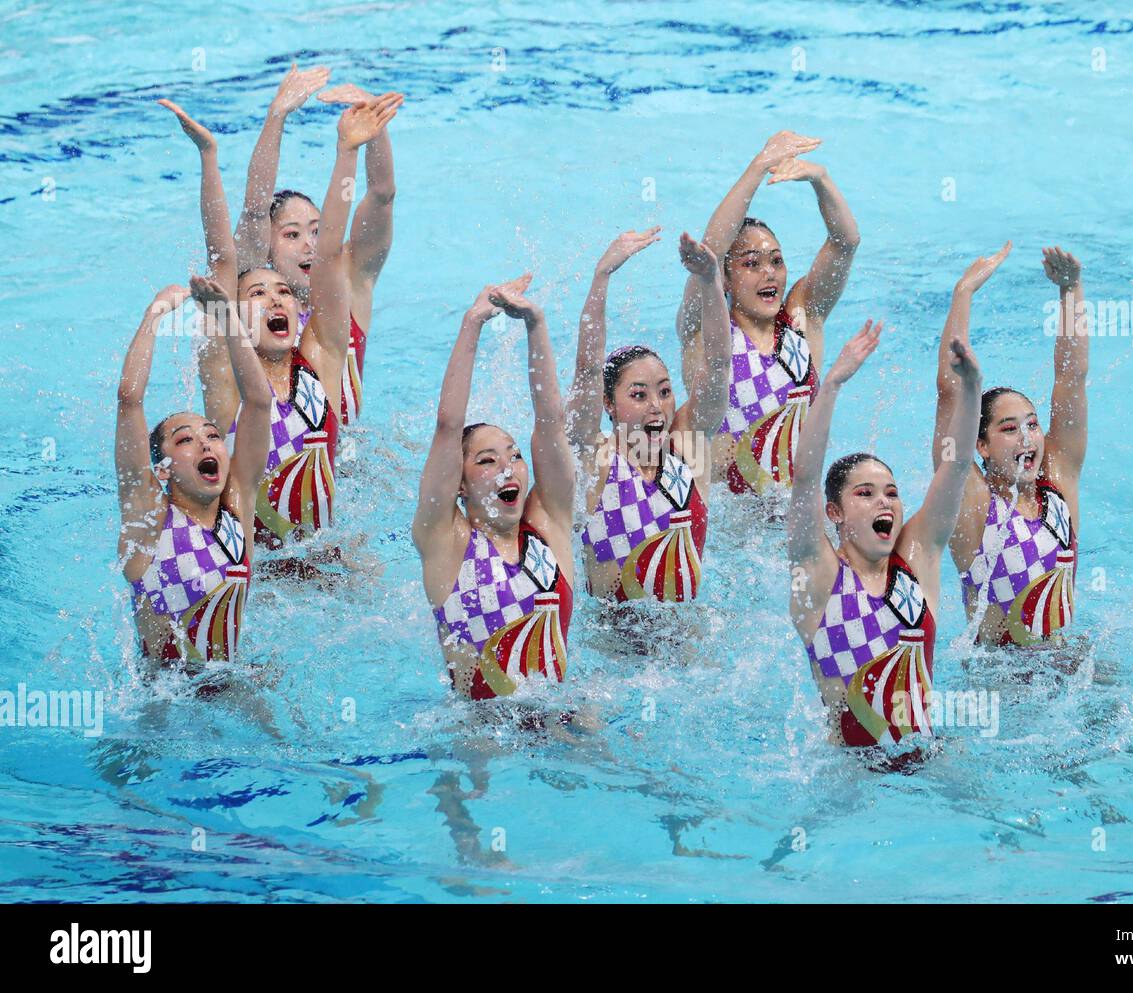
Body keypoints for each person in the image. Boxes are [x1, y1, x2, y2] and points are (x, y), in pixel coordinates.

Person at [160, 94, 401, 549]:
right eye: (292, 234)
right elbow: (225, 251)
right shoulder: (231, 375)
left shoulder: (321, 347)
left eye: (283, 294)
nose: (309, 245)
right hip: (257, 565)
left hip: (329, 537)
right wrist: (210, 156)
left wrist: (350, 149)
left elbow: (338, 243)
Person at [788, 318, 983, 746]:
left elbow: (957, 466)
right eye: (866, 493)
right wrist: (833, 384)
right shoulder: (820, 575)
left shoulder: (917, 561)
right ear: (834, 512)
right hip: (852, 776)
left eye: (892, 493)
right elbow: (803, 477)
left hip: (929, 759)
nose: (884, 502)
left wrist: (971, 390)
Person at [412, 276, 576, 701]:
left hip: (558, 719)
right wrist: (473, 322)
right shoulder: (447, 542)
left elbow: (551, 423)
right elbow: (448, 427)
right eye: (486, 461)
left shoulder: (550, 525)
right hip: (479, 736)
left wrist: (535, 324)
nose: (508, 468)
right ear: (460, 486)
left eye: (514, 455)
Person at [677, 130, 859, 495]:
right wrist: (759, 166)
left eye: (777, 260)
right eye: (751, 263)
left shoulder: (801, 319)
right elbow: (710, 251)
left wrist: (820, 180)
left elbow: (845, 243)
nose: (769, 272)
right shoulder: (706, 333)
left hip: (798, 515)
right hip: (734, 531)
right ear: (725, 280)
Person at [116, 276, 271, 674]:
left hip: (229, 684)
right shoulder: (149, 518)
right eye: (186, 440)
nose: (206, 445)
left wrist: (227, 318)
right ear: (163, 469)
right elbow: (129, 400)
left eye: (214, 436)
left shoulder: (238, 507)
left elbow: (258, 400)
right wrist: (154, 314)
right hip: (163, 702)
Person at [934, 244, 1088, 646]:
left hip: (1071, 671)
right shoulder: (972, 505)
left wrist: (1070, 291)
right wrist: (963, 293)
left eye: (1033, 424)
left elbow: (1070, 380)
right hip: (1002, 688)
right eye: (1008, 428)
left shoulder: (1058, 485)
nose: (1026, 436)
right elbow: (949, 397)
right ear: (980, 446)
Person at [567, 230, 730, 603]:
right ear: (608, 403)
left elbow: (719, 364)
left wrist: (709, 280)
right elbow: (587, 372)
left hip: (689, 647)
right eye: (639, 395)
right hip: (613, 651)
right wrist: (602, 277)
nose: (657, 405)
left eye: (665, 391)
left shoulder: (689, 451)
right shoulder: (596, 463)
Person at [234, 64, 400, 425]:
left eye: (316, 230)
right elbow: (253, 210)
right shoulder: (252, 308)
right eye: (291, 235)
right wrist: (276, 116)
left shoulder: (351, 289)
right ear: (267, 251)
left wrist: (373, 128)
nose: (310, 245)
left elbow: (382, 195)